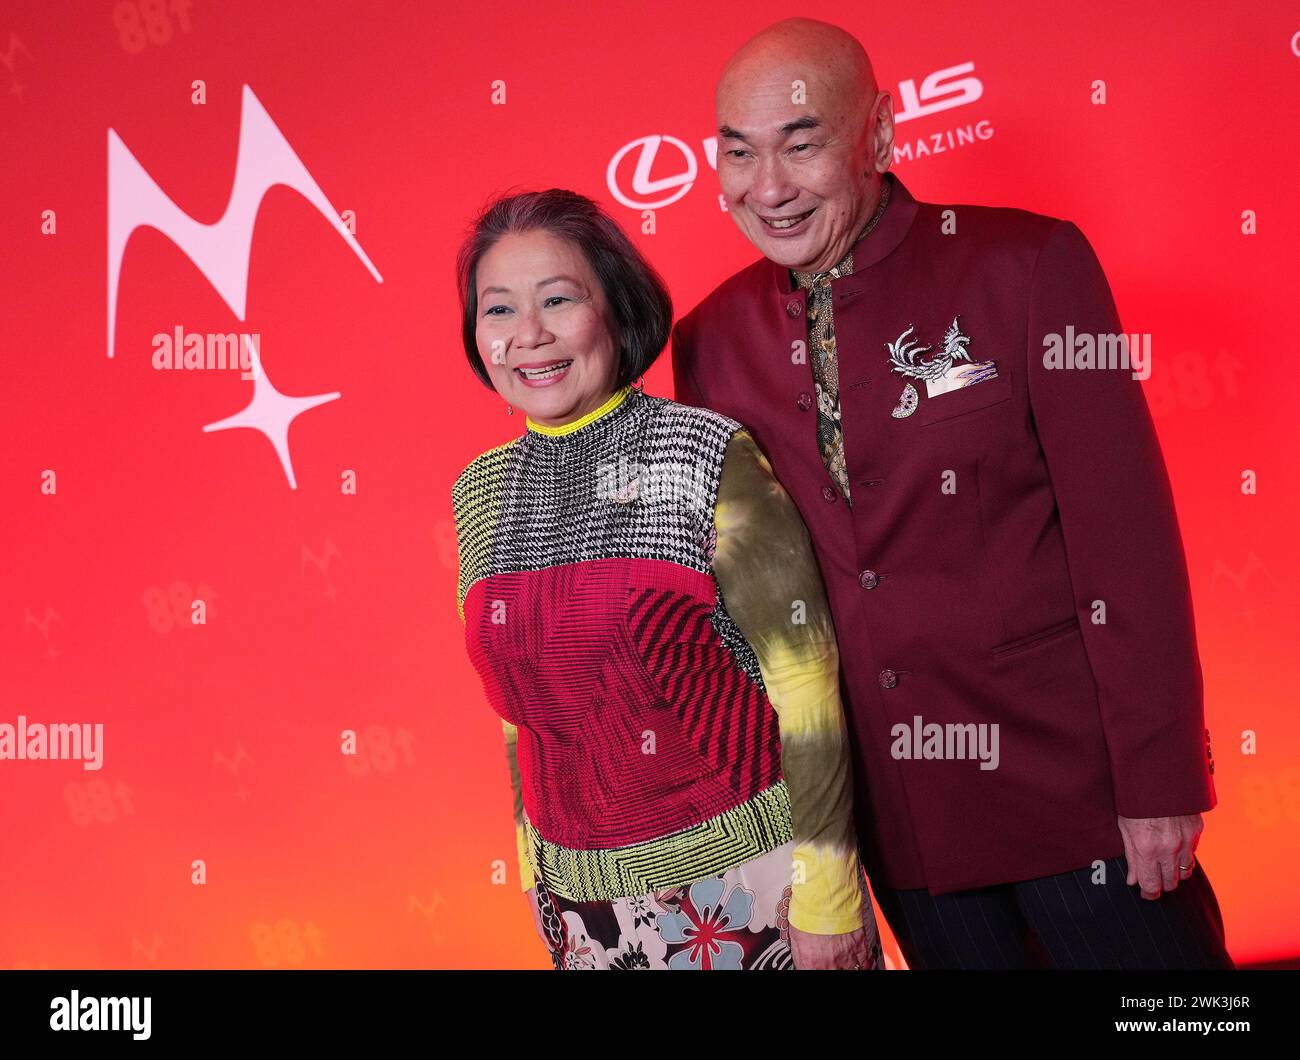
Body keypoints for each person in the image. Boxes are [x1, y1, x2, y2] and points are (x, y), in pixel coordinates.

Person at [671, 17, 1233, 969]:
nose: (768, 188)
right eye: (738, 152)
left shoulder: (1025, 265)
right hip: (903, 822)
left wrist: (1161, 780)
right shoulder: (709, 341)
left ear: (879, 137)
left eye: (801, 145)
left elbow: (1126, 541)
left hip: (1079, 794)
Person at [451, 188, 882, 969]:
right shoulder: (480, 493)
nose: (530, 336)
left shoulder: (706, 453)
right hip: (581, 911)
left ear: (616, 309)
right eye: (499, 310)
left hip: (750, 894)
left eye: (558, 299)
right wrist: (530, 864)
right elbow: (518, 711)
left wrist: (828, 891)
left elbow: (808, 689)